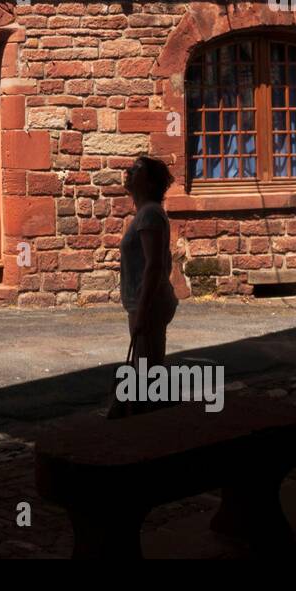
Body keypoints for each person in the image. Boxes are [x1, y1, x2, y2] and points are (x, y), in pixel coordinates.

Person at [108, 155, 179, 418]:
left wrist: (143, 310)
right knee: (146, 371)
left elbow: (154, 266)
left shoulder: (149, 214)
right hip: (143, 303)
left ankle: (155, 427)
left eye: (136, 170)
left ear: (148, 182)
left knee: (148, 374)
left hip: (147, 304)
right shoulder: (145, 214)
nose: (128, 172)